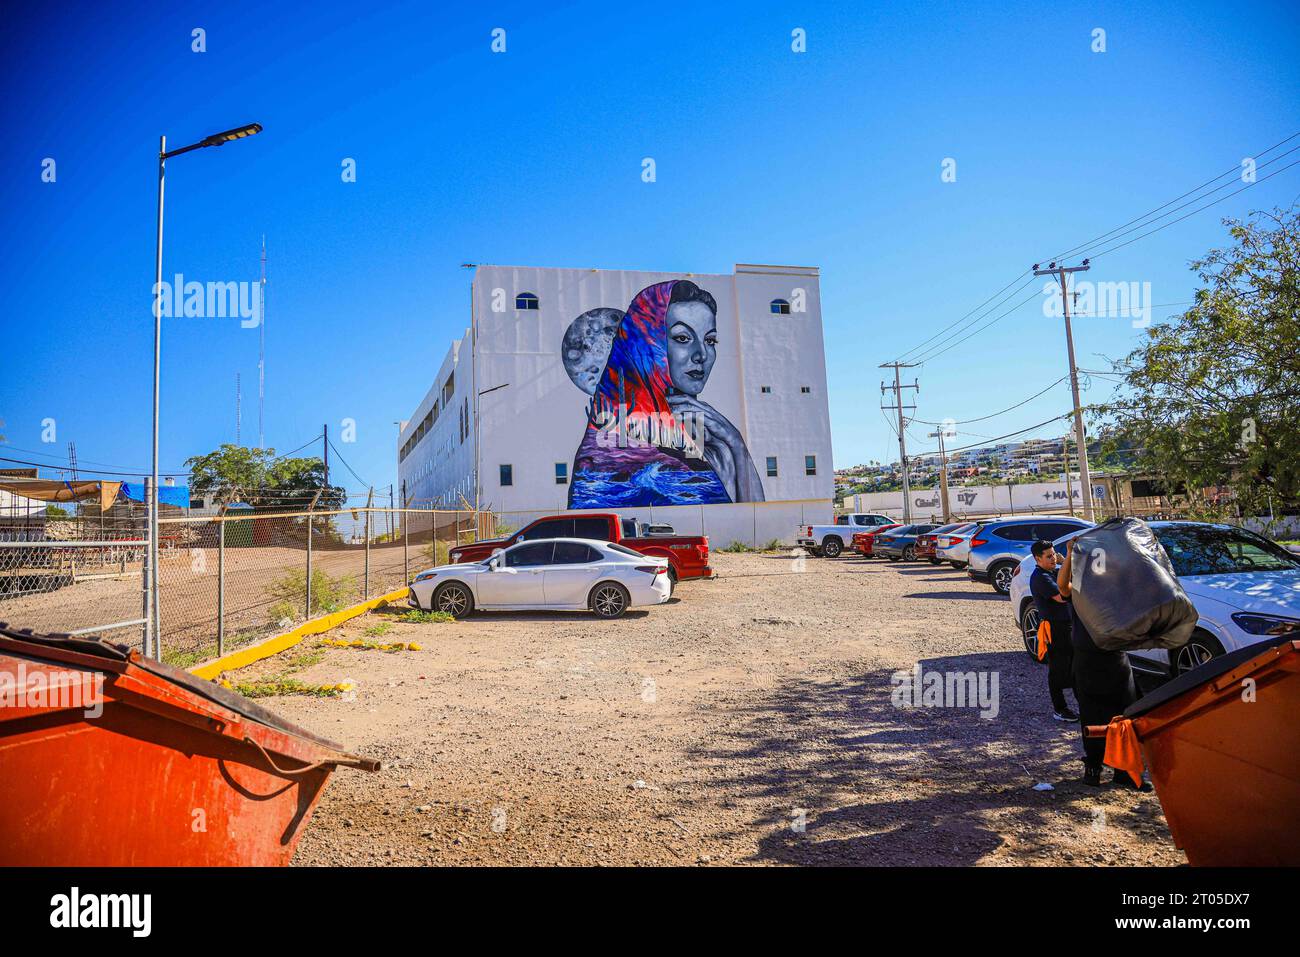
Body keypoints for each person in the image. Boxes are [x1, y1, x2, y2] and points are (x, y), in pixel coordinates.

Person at [568, 280, 765, 507]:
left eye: (710, 340)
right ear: (649, 346)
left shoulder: (712, 441)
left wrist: (736, 444)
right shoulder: (604, 451)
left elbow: (753, 523)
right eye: (682, 338)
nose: (701, 354)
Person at [1057, 541, 1146, 789]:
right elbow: (1062, 585)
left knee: (1124, 716)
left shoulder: (1118, 594)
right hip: (1087, 664)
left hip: (1116, 661)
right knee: (1091, 716)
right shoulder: (1080, 593)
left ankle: (1124, 771)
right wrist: (1068, 556)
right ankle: (1093, 768)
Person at [1028, 540, 1077, 722]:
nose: (1053, 558)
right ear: (1037, 558)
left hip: (1068, 625)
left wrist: (1064, 564)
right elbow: (1063, 596)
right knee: (1057, 670)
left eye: (1054, 554)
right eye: (1048, 556)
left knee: (1076, 666)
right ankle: (1060, 708)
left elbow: (1069, 579)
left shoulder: (1053, 571)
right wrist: (1067, 563)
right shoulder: (1041, 577)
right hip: (1055, 628)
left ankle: (1083, 703)